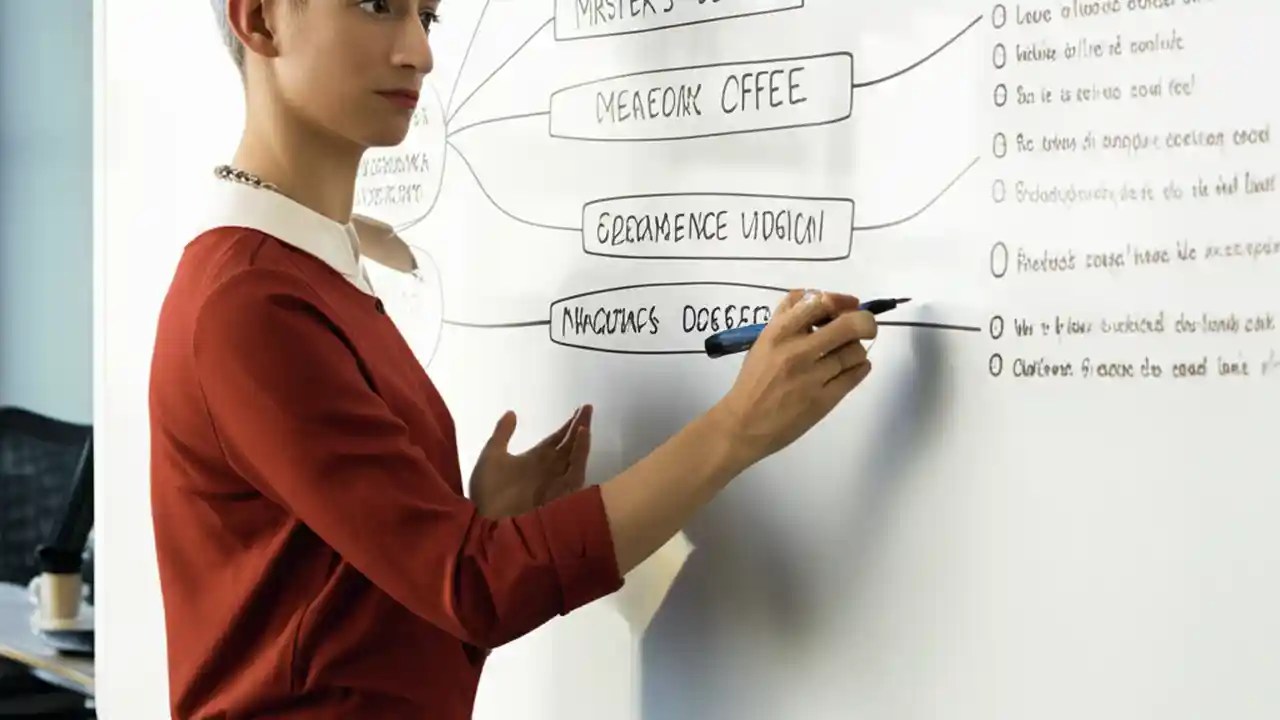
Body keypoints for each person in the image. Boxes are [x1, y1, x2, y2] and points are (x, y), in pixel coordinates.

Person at [148, 0, 878, 717]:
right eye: (377, 6)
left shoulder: (304, 271)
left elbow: (377, 607)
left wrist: (482, 521)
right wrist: (738, 428)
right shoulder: (250, 302)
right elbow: (476, 589)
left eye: (426, 17)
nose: (419, 52)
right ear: (260, 20)